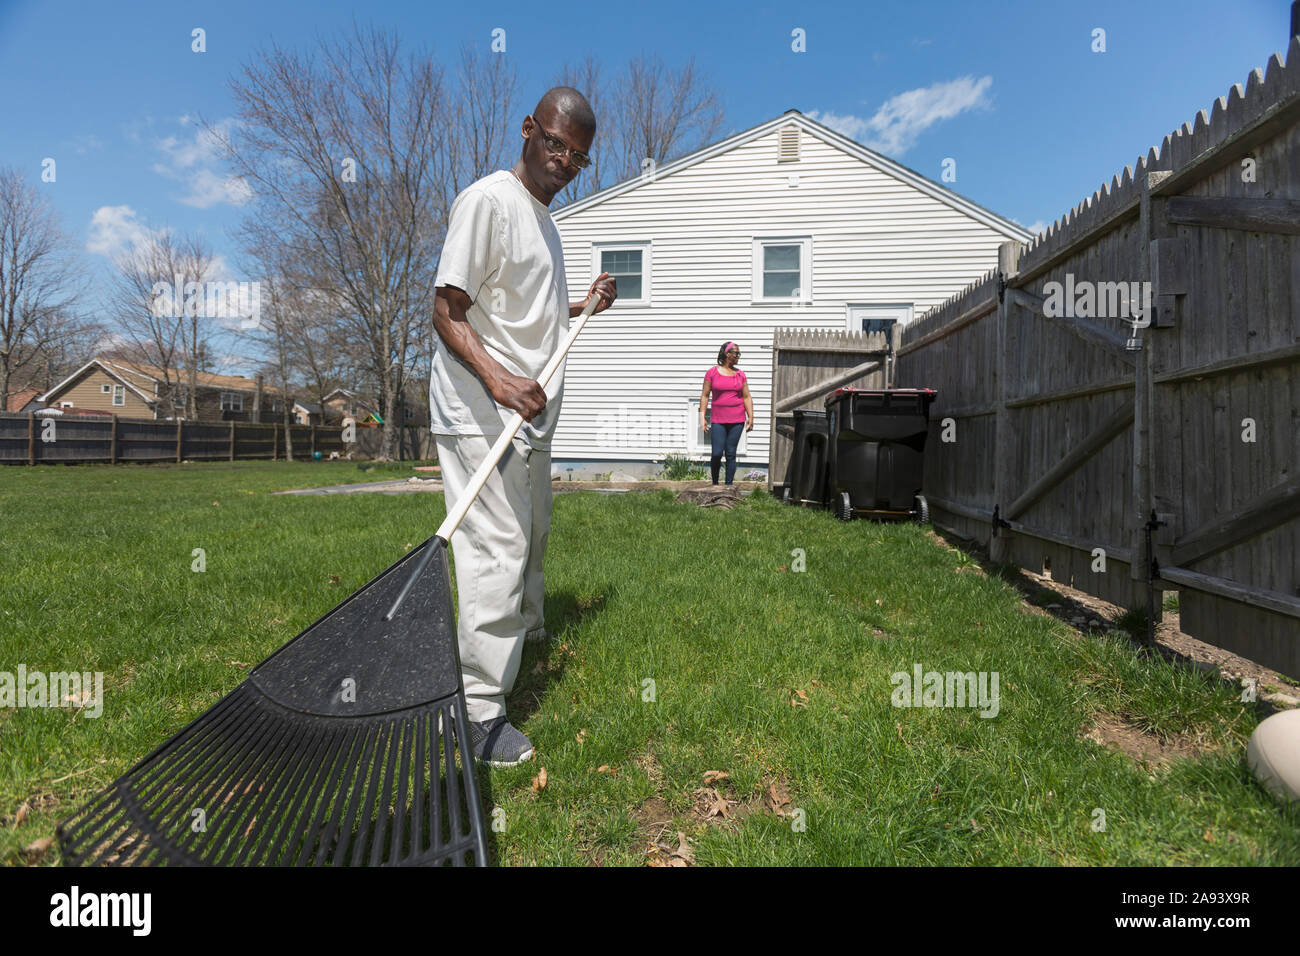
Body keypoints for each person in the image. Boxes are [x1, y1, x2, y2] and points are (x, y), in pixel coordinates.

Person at [430, 87, 616, 767]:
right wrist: (498, 380)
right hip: (481, 410)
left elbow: (522, 312)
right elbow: (449, 310)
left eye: (579, 156)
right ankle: (475, 713)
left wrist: (581, 305)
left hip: (526, 417)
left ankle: (522, 634)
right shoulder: (488, 201)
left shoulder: (543, 221)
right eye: (556, 143)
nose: (565, 160)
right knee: (497, 552)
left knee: (533, 531)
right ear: (528, 130)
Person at [698, 342, 754, 485]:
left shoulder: (740, 375)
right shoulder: (712, 373)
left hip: (737, 420)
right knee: (716, 453)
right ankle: (715, 485)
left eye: (738, 353)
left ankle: (728, 486)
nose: (738, 356)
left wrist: (751, 416)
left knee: (730, 453)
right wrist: (702, 416)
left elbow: (747, 397)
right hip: (718, 419)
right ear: (726, 353)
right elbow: (705, 395)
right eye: (735, 353)